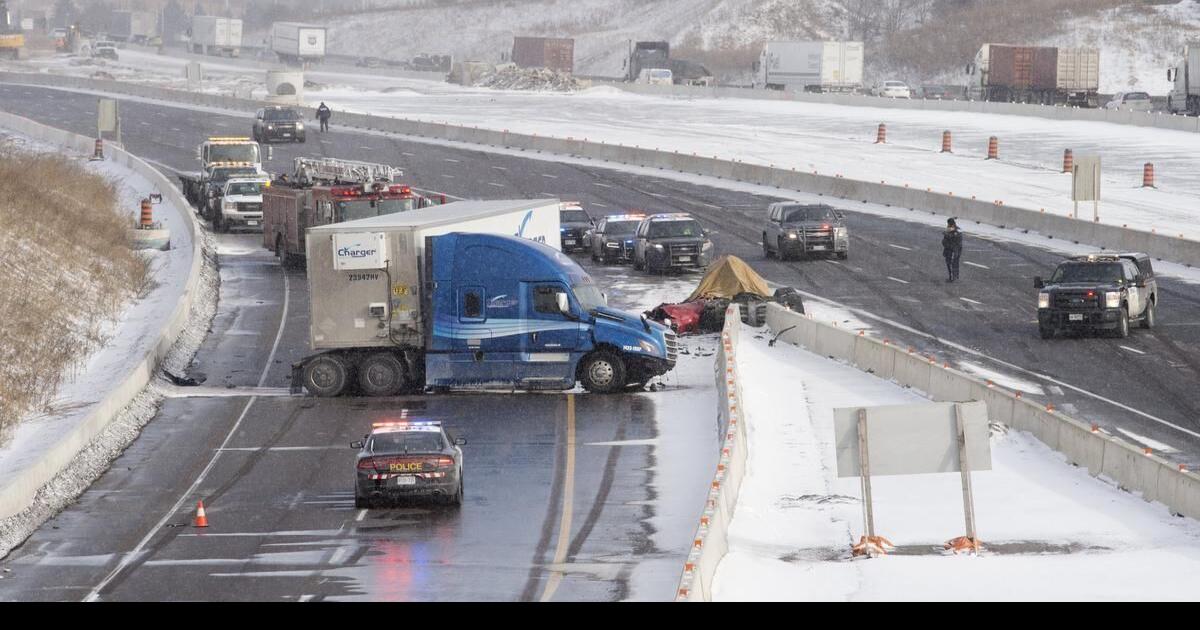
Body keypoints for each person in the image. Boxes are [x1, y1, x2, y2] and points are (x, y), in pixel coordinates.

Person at [942, 217, 963, 282]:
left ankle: (952, 277)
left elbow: (953, 238)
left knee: (951, 263)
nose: (948, 225)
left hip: (953, 250)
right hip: (952, 249)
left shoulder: (956, 231)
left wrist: (946, 233)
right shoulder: (951, 229)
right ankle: (955, 276)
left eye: (949, 224)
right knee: (953, 263)